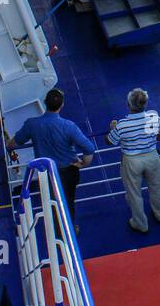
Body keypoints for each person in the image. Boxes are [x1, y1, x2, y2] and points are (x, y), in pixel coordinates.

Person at [7, 88, 95, 230]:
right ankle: (70, 227)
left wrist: (8, 145)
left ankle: (56, 227)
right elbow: (89, 148)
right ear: (62, 106)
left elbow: (15, 142)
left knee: (51, 200)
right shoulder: (69, 126)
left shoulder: (32, 124)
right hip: (69, 171)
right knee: (68, 200)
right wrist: (83, 164)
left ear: (45, 103)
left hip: (46, 172)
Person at [107, 88, 160, 235]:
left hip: (132, 160)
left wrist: (113, 128)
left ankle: (140, 223)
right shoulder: (154, 118)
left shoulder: (122, 125)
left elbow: (110, 141)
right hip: (152, 156)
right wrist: (154, 139)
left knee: (134, 192)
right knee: (156, 186)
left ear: (129, 104)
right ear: (145, 104)